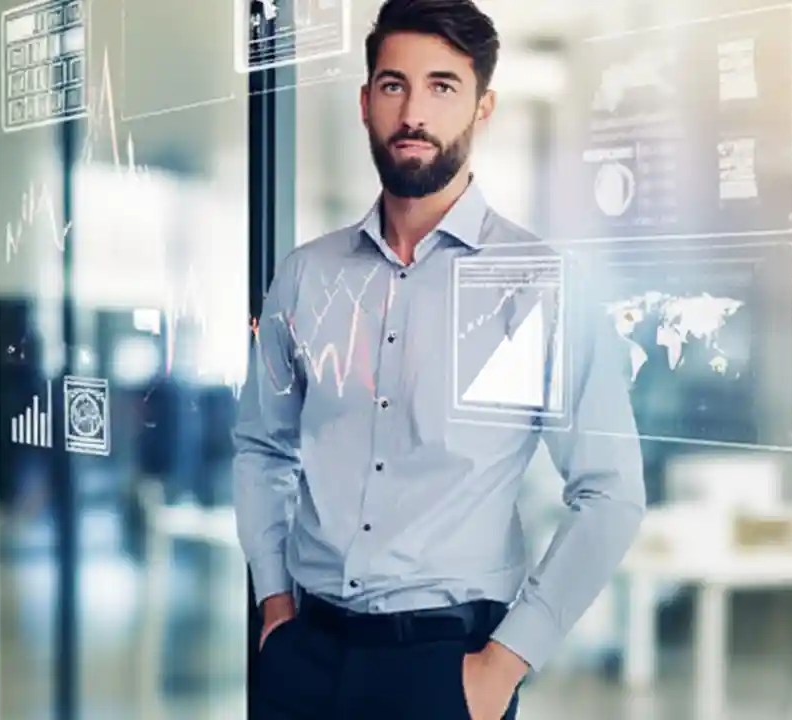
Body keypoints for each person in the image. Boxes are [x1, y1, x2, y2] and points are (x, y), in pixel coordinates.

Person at [232, 1, 646, 718]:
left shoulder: (536, 284)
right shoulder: (308, 275)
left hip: (446, 672)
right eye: (394, 85)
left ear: (483, 108)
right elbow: (261, 448)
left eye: (443, 87)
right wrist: (274, 603)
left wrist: (504, 665)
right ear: (365, 104)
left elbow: (610, 493)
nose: (414, 111)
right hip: (305, 655)